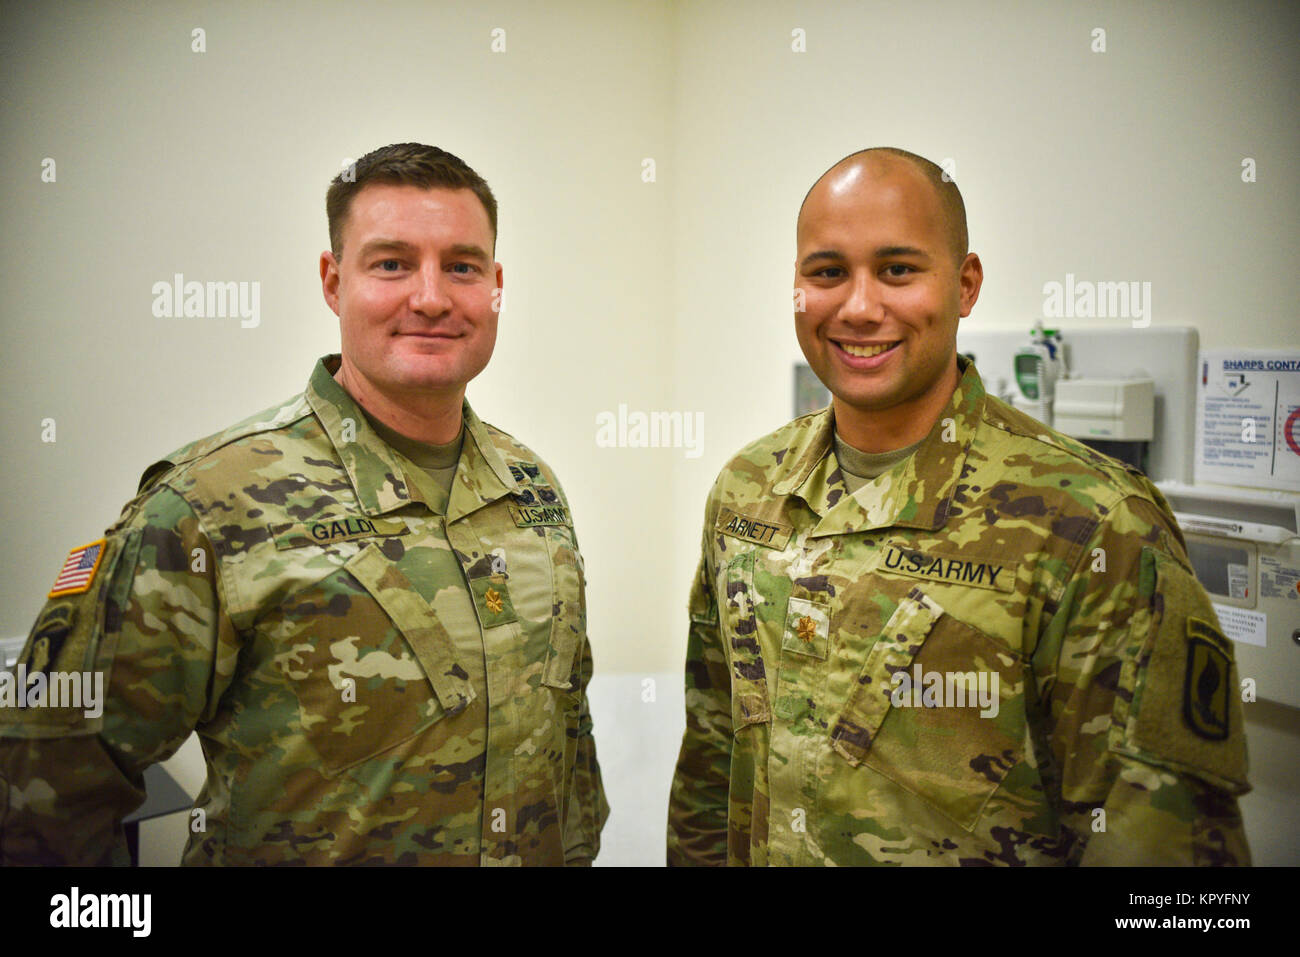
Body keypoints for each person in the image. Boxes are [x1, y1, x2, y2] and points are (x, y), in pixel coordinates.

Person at [0, 143, 608, 866]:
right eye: (391, 263)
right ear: (332, 280)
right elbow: (41, 794)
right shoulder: (208, 504)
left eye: (462, 266)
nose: (432, 296)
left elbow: (567, 752)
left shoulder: (533, 490)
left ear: (496, 286)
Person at [666, 147, 1250, 866]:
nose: (858, 305)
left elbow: (1166, 859)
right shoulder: (746, 492)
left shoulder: (1092, 525)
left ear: (966, 285)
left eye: (898, 270)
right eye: (827, 272)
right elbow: (712, 758)